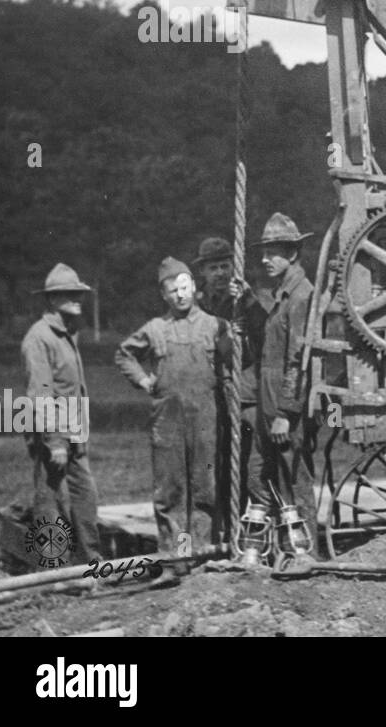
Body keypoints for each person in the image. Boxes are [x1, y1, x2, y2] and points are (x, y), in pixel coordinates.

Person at [116, 258, 232, 558]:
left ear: (194, 286)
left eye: (184, 287)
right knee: (171, 489)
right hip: (168, 419)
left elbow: (235, 360)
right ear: (164, 295)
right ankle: (176, 557)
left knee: (205, 486)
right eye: (173, 290)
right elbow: (125, 354)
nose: (180, 295)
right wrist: (143, 381)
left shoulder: (215, 326)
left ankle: (202, 554)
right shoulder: (155, 329)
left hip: (205, 416)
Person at [237, 213, 317, 560]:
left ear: (293, 254)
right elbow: (269, 350)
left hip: (285, 405)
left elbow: (300, 359)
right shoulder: (282, 296)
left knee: (293, 478)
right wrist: (249, 304)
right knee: (259, 475)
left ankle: (304, 555)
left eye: (274, 252)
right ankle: (264, 552)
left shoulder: (301, 297)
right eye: (264, 252)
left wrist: (286, 411)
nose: (265, 260)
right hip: (266, 400)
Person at [21, 263, 100, 566]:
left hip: (74, 426)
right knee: (50, 499)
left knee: (84, 494)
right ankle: (54, 568)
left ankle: (91, 561)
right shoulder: (39, 338)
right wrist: (54, 441)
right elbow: (40, 393)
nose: (77, 299)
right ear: (52, 300)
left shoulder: (68, 333)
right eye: (68, 294)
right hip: (51, 429)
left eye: (79, 294)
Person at [193, 236, 268, 515]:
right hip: (209, 393)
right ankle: (224, 528)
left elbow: (265, 337)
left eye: (225, 266)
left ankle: (252, 526)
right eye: (213, 268)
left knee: (248, 464)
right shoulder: (196, 304)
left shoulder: (246, 299)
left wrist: (248, 304)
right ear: (203, 272)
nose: (221, 273)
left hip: (242, 391)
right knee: (216, 465)